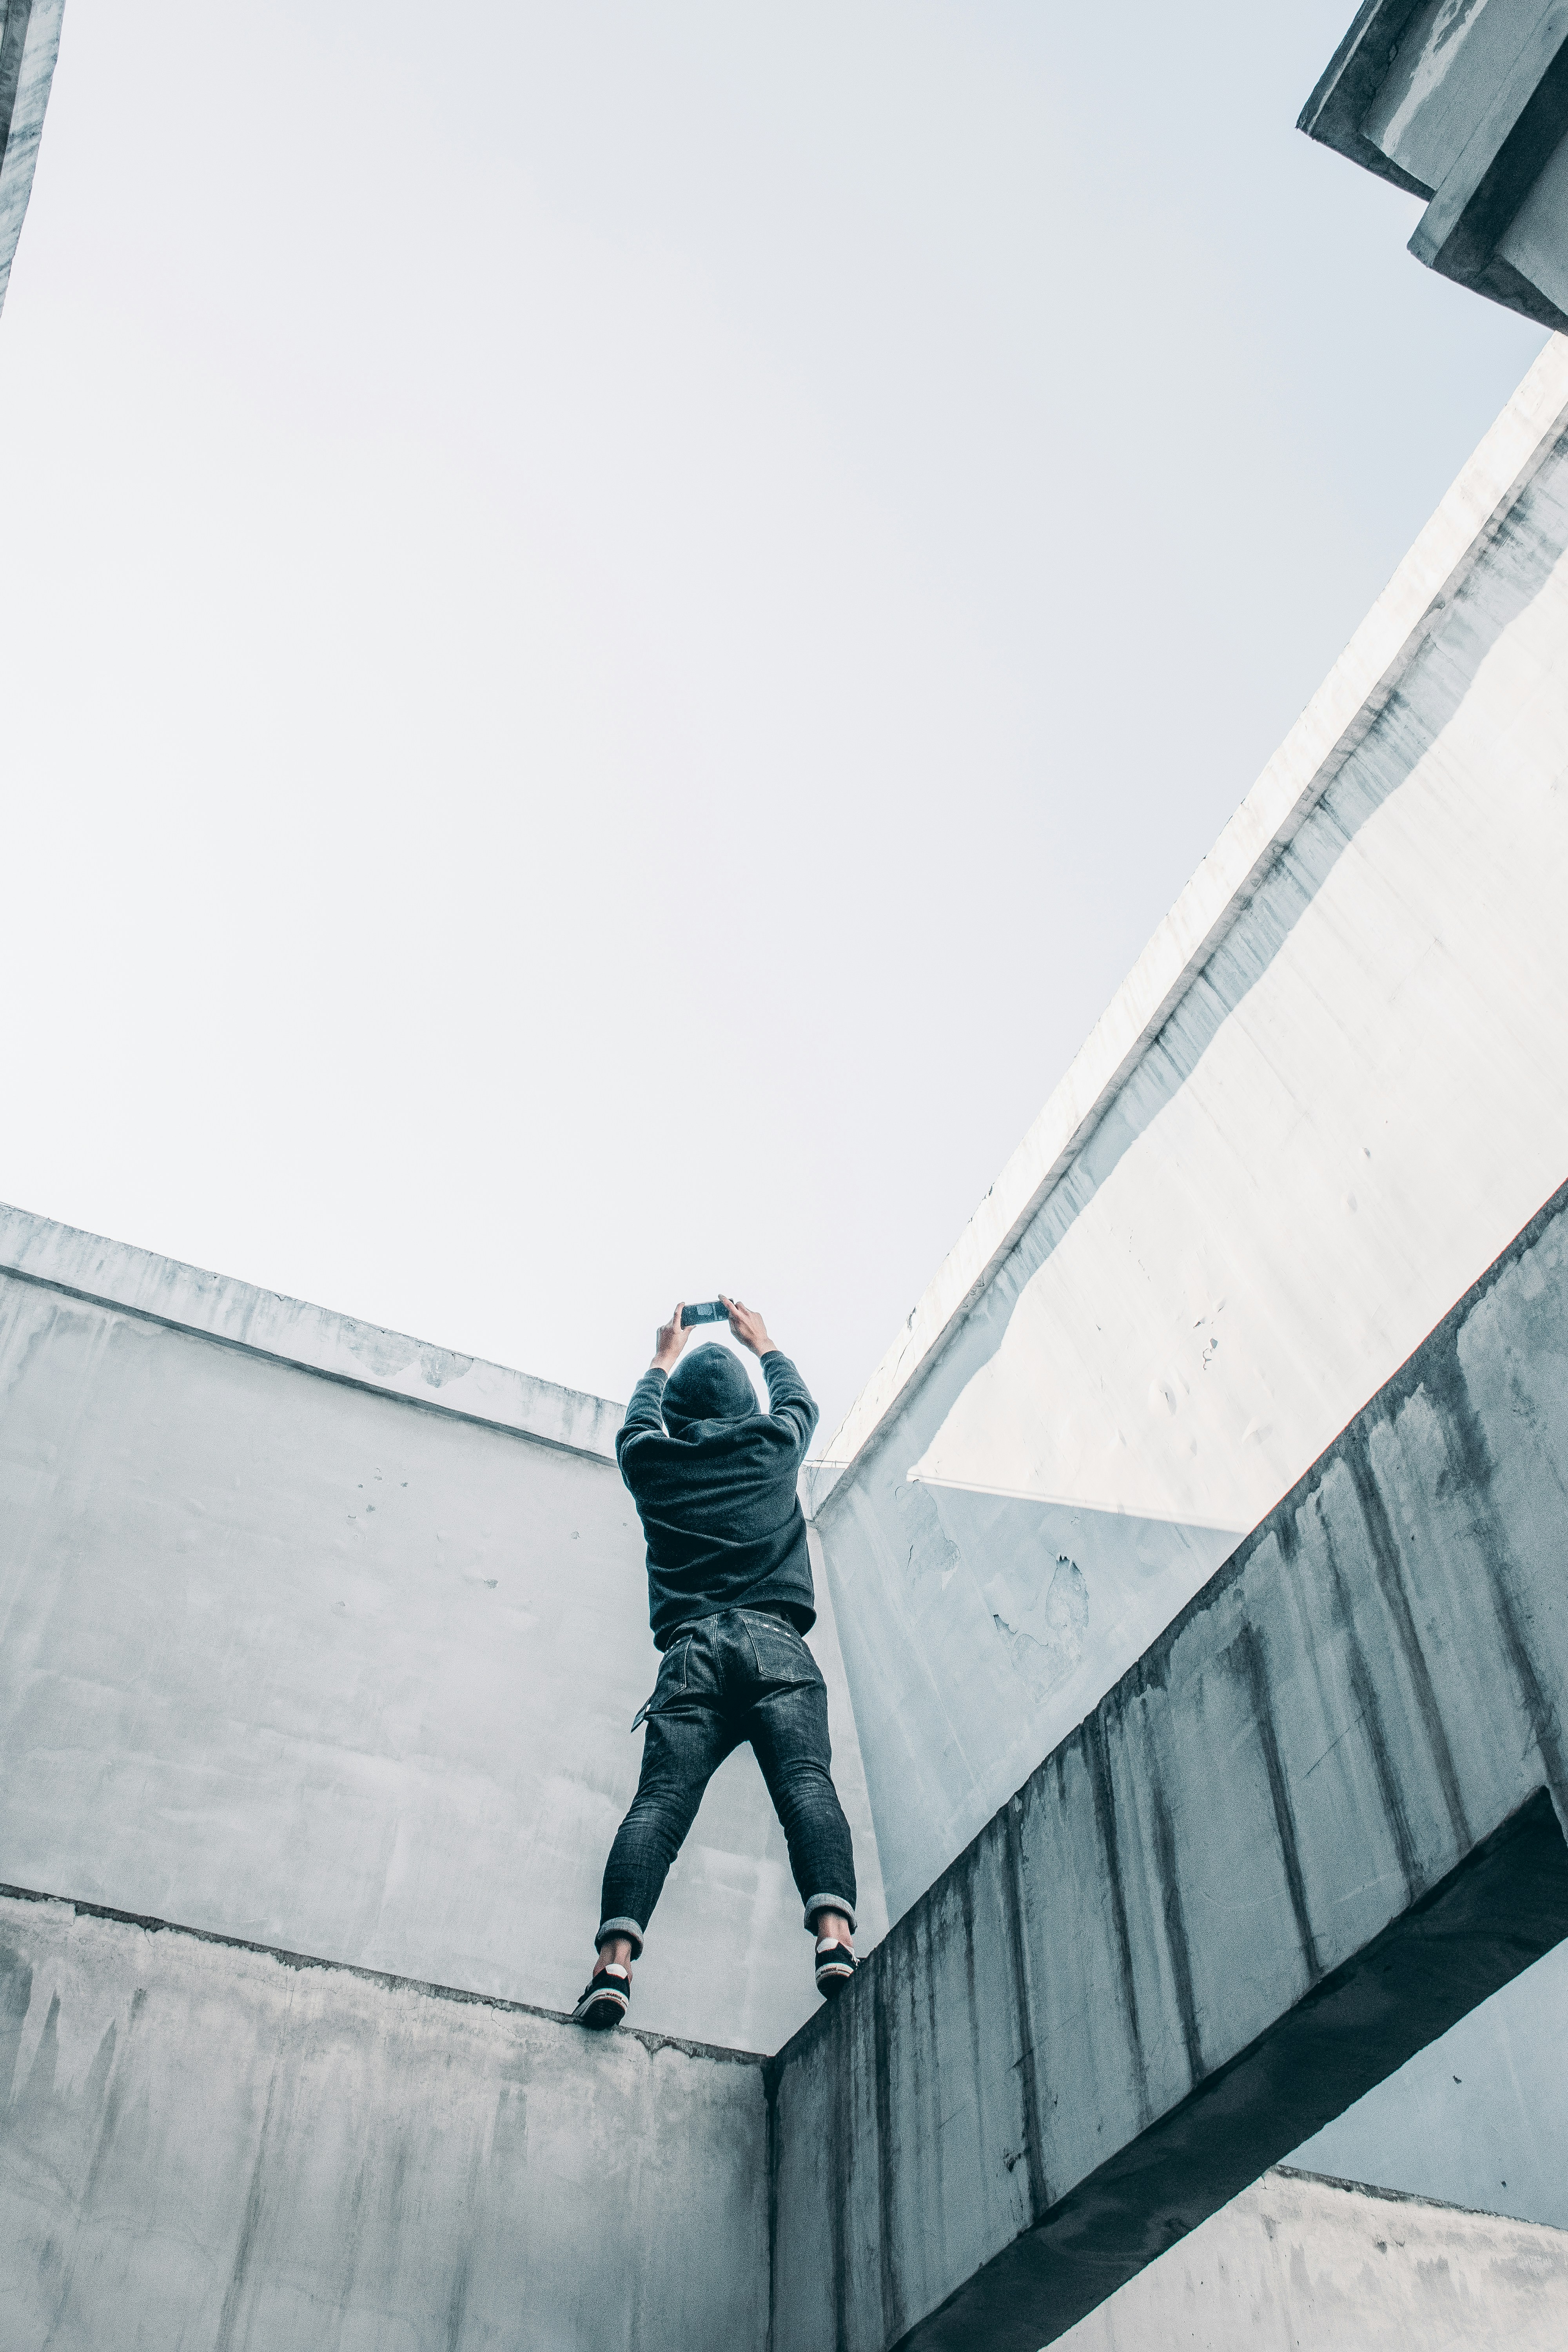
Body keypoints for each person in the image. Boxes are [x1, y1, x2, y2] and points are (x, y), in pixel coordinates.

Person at [572, 1296, 857, 2029]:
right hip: (776, 1642)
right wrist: (763, 1342)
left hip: (689, 1655)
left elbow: (636, 1429)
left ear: (675, 1415)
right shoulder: (772, 1444)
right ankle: (834, 1938)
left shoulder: (654, 1463)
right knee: (805, 1783)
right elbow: (799, 1403)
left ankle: (613, 1964)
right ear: (744, 1405)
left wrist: (662, 1358)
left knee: (659, 1806)